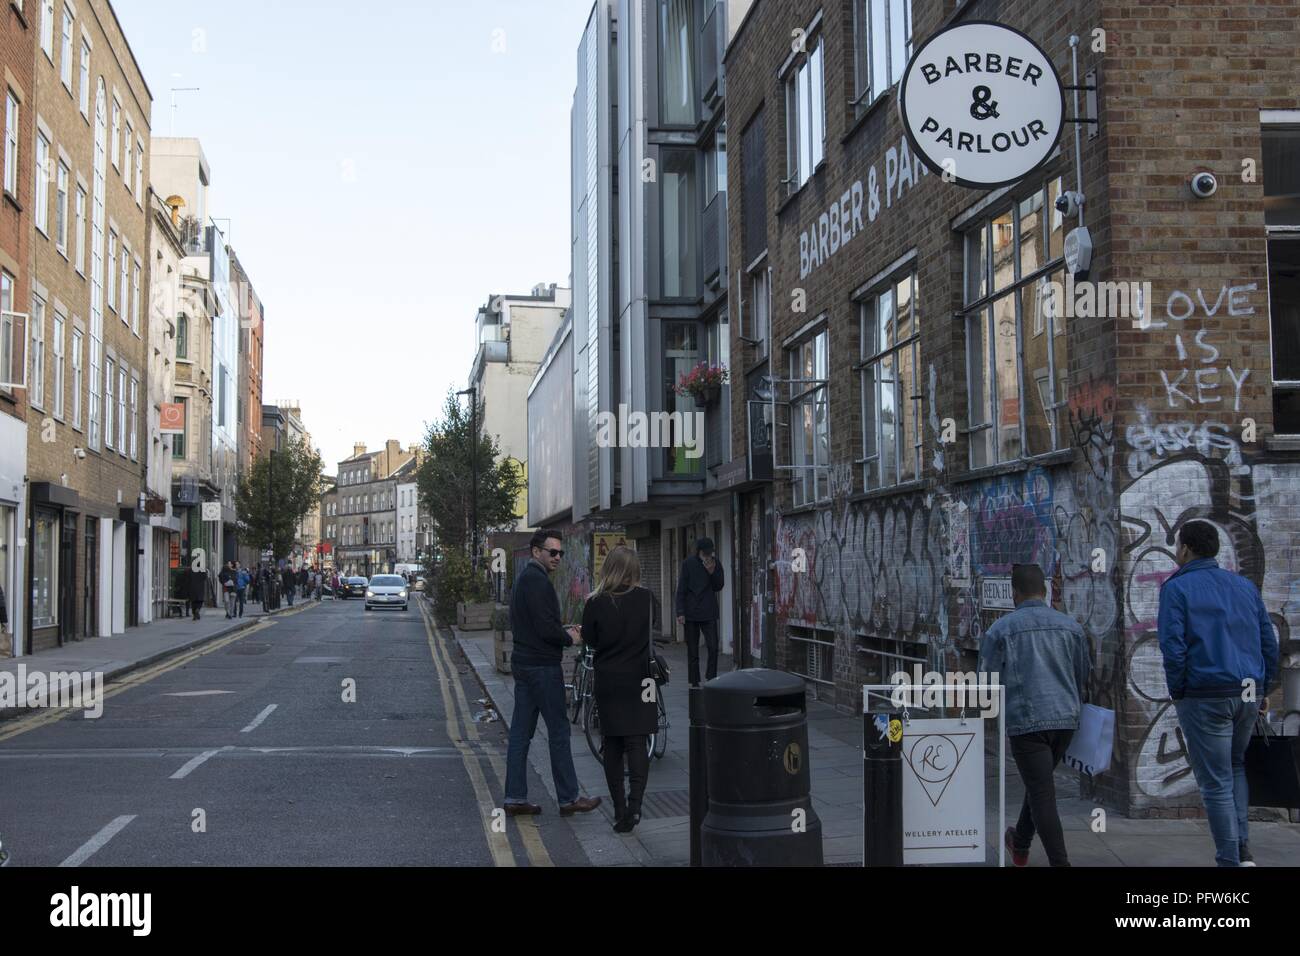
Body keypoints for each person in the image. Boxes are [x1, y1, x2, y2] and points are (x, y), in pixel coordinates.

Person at [1158, 520, 1280, 867]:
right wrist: (1263, 687)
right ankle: (1241, 849)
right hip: (1246, 692)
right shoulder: (1243, 586)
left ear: (1185, 548)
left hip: (1205, 693)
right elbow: (1267, 641)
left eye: (1178, 546)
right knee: (1235, 767)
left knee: (1214, 782)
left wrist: (1178, 690)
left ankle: (1230, 859)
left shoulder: (1177, 589)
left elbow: (1173, 647)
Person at [977, 563, 1090, 868]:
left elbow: (986, 680)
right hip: (1066, 720)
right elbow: (1082, 674)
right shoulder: (1071, 627)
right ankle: (1020, 841)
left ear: (1014, 593)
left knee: (1042, 793)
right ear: (1045, 590)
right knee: (1039, 785)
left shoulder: (1001, 629)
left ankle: (1060, 863)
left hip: (1026, 722)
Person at [503, 531, 602, 818]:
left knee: (520, 734)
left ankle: (515, 797)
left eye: (559, 552)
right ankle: (569, 798)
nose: (557, 557)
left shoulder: (525, 580)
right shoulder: (538, 582)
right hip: (542, 667)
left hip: (524, 664)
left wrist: (559, 630)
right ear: (537, 552)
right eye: (552, 552)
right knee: (558, 731)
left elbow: (533, 624)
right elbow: (546, 628)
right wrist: (569, 637)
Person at [581, 546, 658, 833]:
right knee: (637, 742)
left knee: (612, 744)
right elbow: (652, 630)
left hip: (609, 681)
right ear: (634, 570)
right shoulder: (648, 600)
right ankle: (636, 806)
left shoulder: (596, 602)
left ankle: (619, 811)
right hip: (641, 680)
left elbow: (590, 640)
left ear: (609, 568)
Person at [675, 537, 725, 686]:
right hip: (691, 612)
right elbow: (681, 589)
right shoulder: (688, 564)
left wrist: (712, 572)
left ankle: (711, 677)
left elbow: (718, 586)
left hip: (709, 611)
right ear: (699, 552)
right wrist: (680, 611)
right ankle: (694, 681)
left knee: (713, 647)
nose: (708, 556)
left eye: (710, 553)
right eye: (705, 553)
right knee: (692, 650)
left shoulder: (716, 563)